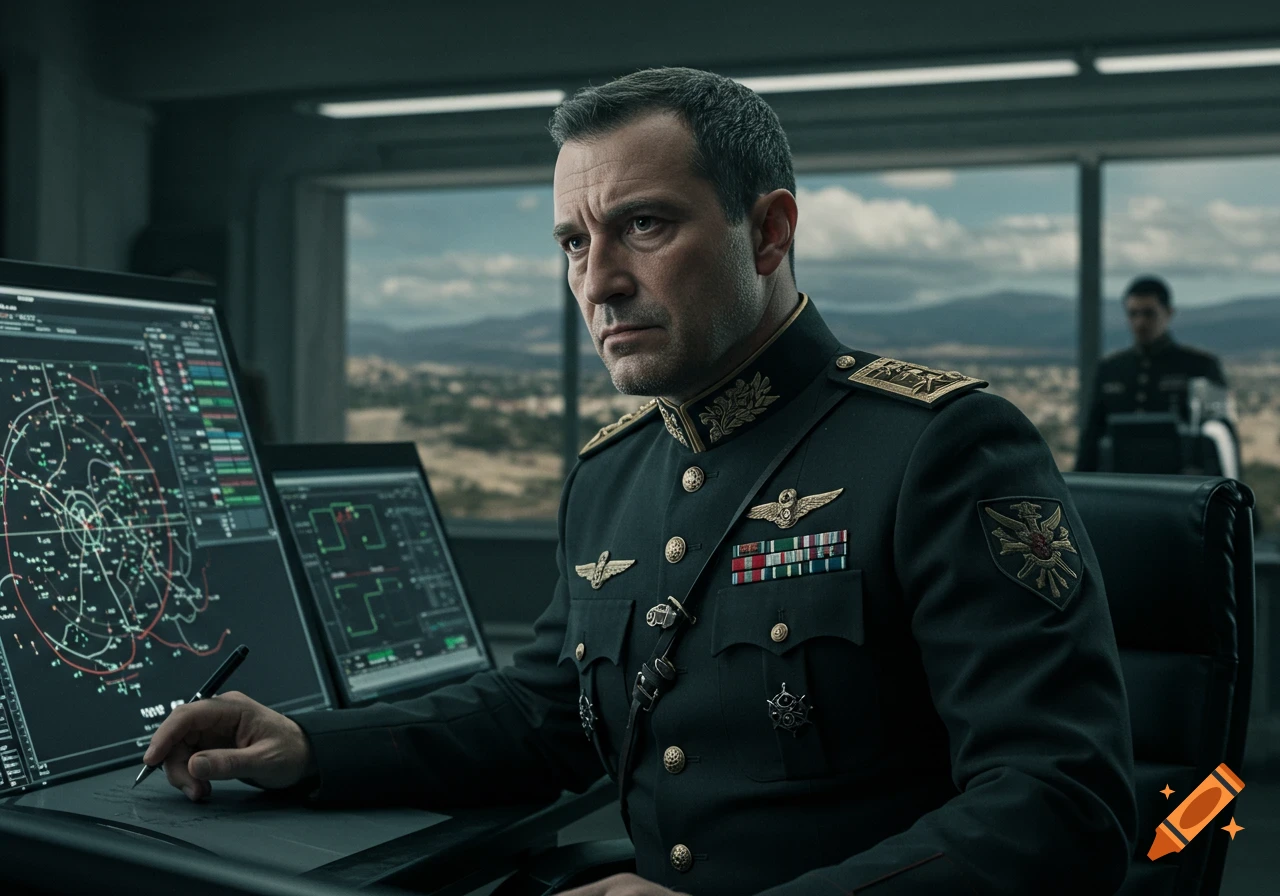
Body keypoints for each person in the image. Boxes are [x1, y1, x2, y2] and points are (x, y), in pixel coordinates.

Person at [144, 68, 1137, 895]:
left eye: (643, 226)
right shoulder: (611, 471)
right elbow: (542, 715)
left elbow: (1059, 801)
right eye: (574, 242)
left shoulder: (937, 446)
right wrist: (312, 747)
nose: (597, 280)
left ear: (767, 232)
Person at [1075, 275, 1228, 472]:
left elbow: (1219, 435)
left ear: (1169, 313)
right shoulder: (1110, 369)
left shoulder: (1201, 367)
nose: (1140, 322)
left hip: (1179, 484)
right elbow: (1092, 436)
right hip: (1121, 481)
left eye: (1149, 313)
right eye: (1133, 314)